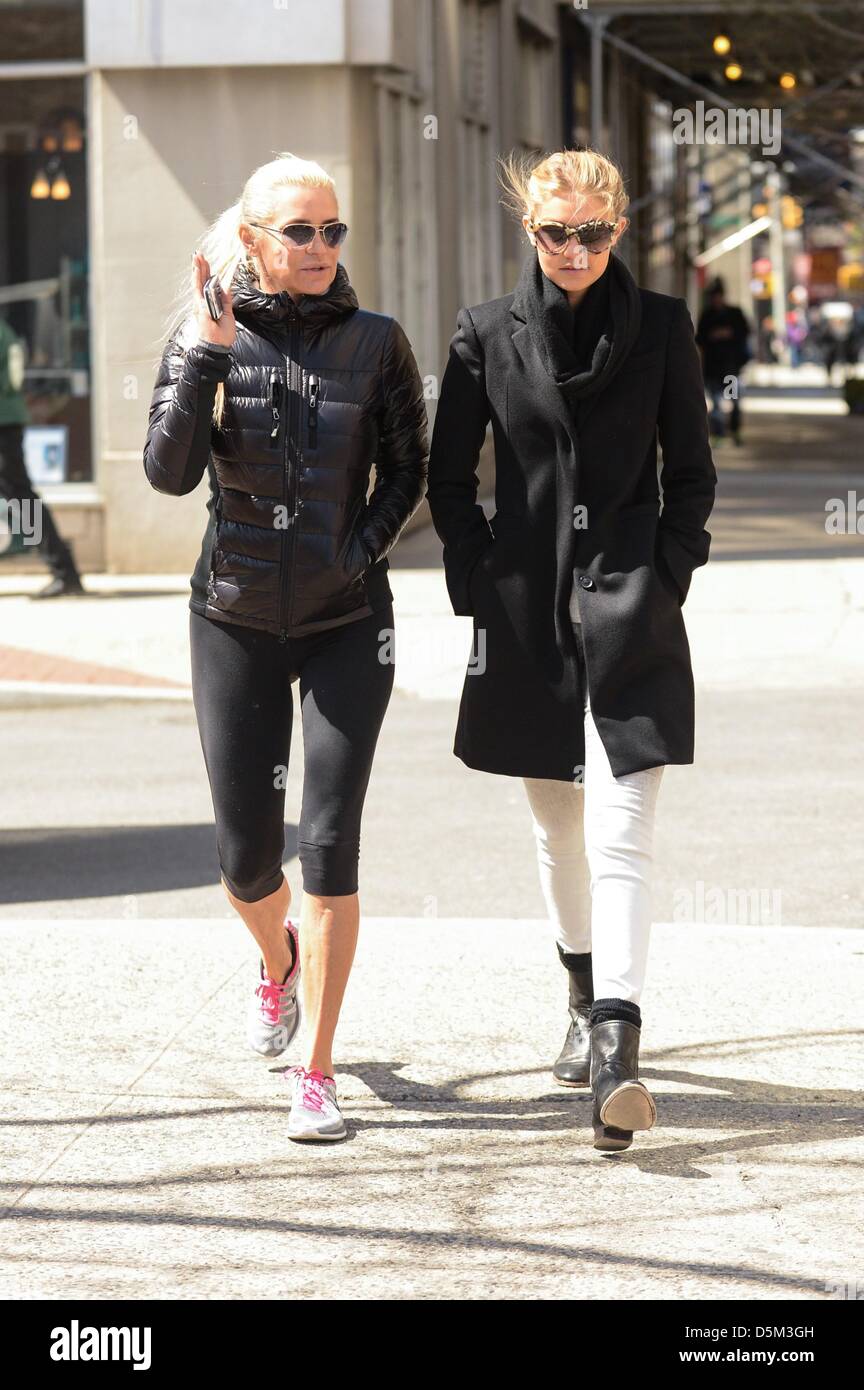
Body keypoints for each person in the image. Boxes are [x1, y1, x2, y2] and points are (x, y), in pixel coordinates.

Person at [426, 147, 717, 1152]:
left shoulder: (666, 328)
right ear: (531, 230)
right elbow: (451, 482)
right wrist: (482, 580)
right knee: (559, 832)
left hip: (633, 605)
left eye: (596, 232)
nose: (577, 250)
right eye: (559, 233)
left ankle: (618, 1045)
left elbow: (693, 471)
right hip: (529, 617)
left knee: (621, 834)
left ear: (620, 229)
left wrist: (668, 569)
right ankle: (581, 986)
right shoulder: (484, 335)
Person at [143, 152, 428, 1142]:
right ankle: (278, 963)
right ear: (255, 238)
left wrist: (361, 548)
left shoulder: (378, 342)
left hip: (350, 620)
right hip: (232, 617)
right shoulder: (206, 338)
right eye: (298, 231)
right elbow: (168, 475)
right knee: (243, 859)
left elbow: (410, 467)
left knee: (330, 845)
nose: (318, 247)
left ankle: (318, 1075)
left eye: (331, 230)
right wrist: (208, 353)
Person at [0, 314, 85, 596]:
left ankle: (64, 571)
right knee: (21, 497)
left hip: (3, 426)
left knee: (21, 497)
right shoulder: (6, 331)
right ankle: (64, 570)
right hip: (8, 423)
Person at [695, 278, 751, 445]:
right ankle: (718, 433)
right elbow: (700, 338)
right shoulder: (707, 316)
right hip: (713, 369)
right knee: (717, 404)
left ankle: (735, 431)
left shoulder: (734, 314)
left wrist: (728, 334)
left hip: (731, 368)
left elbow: (745, 333)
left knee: (734, 401)